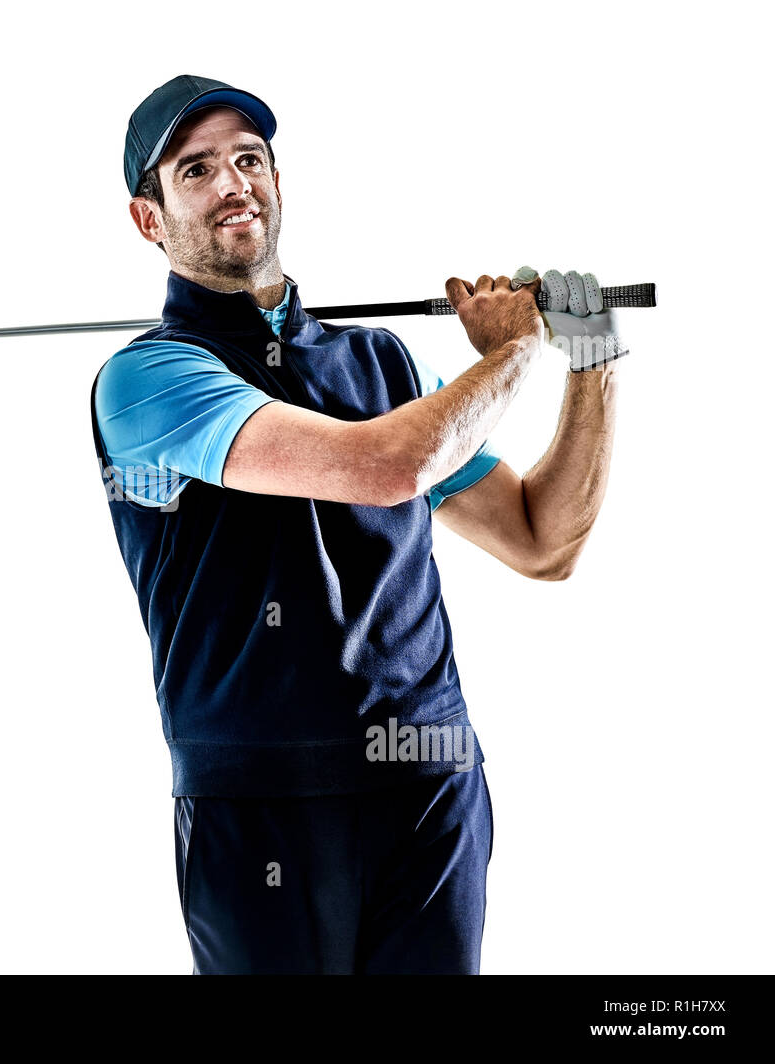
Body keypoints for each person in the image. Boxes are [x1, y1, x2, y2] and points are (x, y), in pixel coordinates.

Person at [90, 75, 626, 974]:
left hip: (430, 783)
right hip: (259, 803)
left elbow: (543, 540)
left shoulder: (378, 363)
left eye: (248, 159)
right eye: (196, 171)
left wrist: (592, 363)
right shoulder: (148, 381)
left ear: (277, 181)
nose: (234, 184)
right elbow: (384, 468)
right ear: (150, 220)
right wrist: (512, 350)